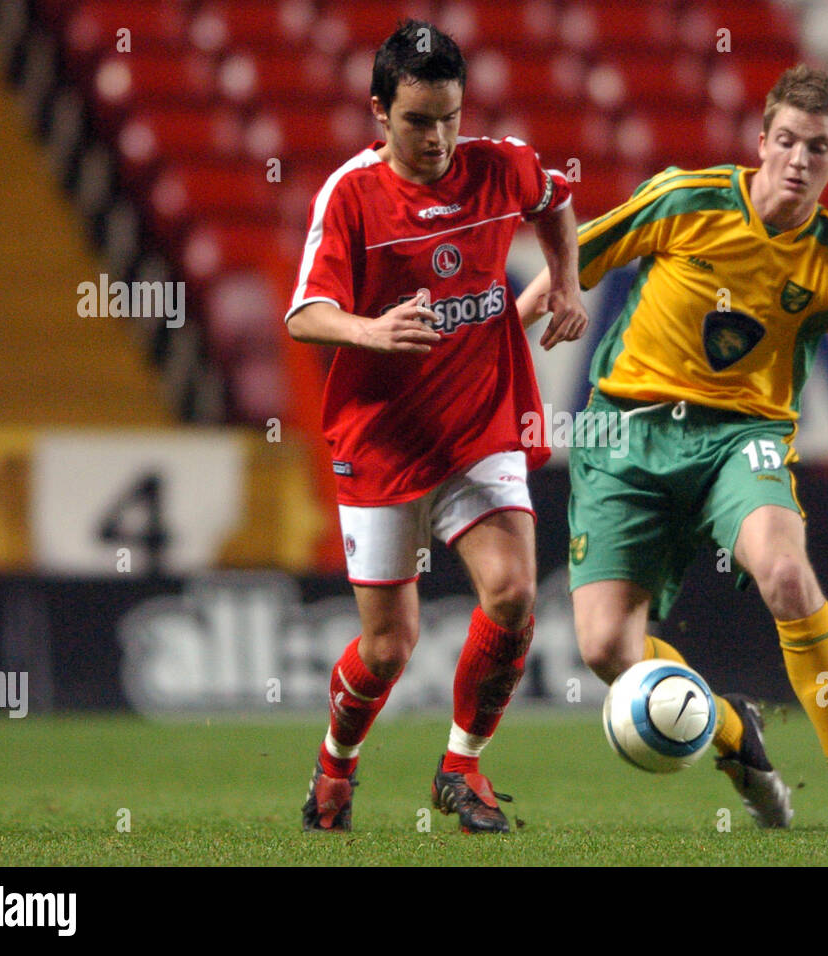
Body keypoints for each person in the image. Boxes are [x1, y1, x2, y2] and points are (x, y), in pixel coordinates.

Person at [518, 64, 828, 831]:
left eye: (818, 147)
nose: (798, 159)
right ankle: (737, 732)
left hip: (741, 440)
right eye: (786, 140)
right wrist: (508, 327)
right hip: (625, 434)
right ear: (761, 142)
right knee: (609, 649)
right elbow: (575, 257)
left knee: (784, 570)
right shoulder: (688, 198)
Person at [285, 20, 588, 834]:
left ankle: (461, 768)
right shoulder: (350, 195)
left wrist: (564, 283)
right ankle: (334, 768)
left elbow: (557, 203)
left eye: (450, 115)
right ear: (380, 112)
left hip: (477, 425)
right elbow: (306, 314)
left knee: (516, 592)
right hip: (382, 438)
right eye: (419, 120)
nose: (439, 137)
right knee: (389, 647)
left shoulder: (499, 164)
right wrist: (371, 331)